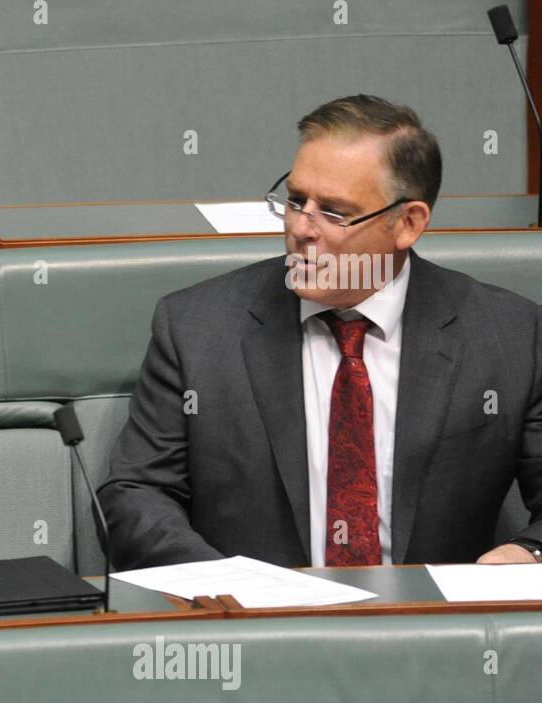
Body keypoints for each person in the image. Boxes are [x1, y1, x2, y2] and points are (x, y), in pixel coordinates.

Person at [102, 95, 542, 571]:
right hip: (255, 629)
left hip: (431, 629)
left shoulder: (509, 336)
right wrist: (227, 587)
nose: (301, 228)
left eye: (333, 211)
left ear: (408, 223)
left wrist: (528, 553)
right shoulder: (196, 329)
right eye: (295, 201)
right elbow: (134, 496)